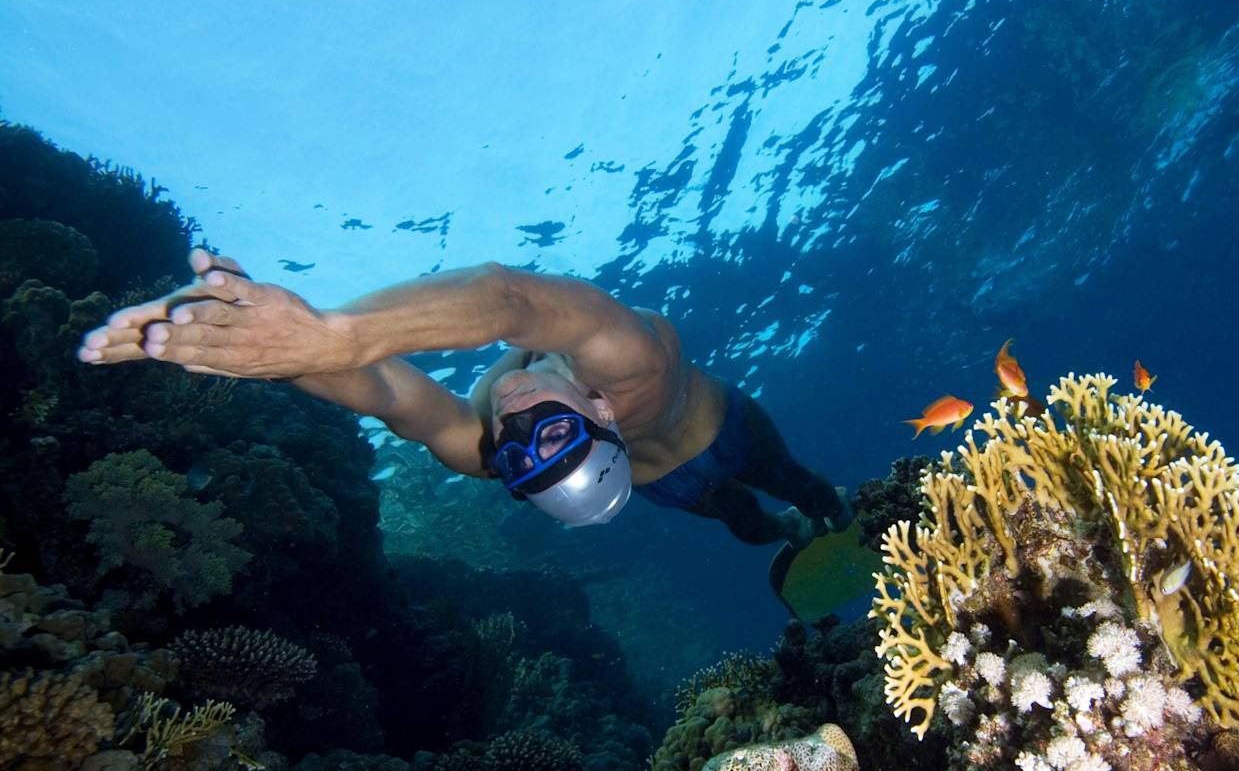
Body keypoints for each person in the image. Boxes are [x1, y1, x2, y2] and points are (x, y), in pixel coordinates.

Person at [77, 249, 852, 546]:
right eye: (551, 436)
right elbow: (509, 298)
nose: (514, 421)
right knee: (756, 505)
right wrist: (330, 338)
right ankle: (801, 526)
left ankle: (819, 513)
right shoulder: (637, 361)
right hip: (718, 434)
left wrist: (263, 348)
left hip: (656, 475)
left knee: (777, 492)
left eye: (521, 454)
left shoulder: (493, 449)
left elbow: (382, 391)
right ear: (601, 411)